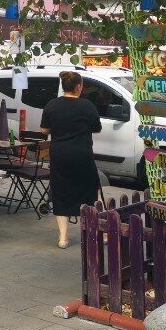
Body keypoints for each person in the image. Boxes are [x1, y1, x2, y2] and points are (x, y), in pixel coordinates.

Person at [41, 71, 103, 248]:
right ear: (78, 87)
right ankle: (96, 232)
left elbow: (44, 130)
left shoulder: (52, 105)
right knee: (91, 190)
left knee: (61, 192)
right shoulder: (87, 106)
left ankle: (63, 238)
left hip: (60, 154)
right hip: (82, 154)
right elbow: (96, 129)